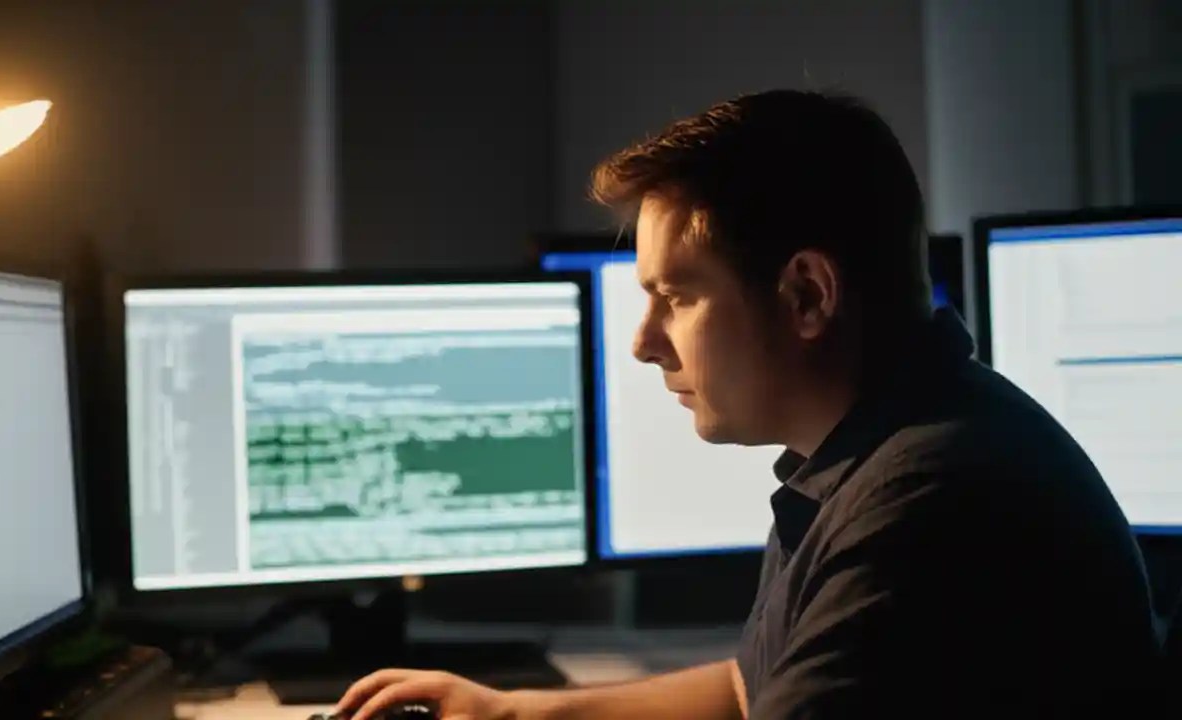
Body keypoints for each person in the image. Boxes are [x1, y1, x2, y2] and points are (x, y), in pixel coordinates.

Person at [335, 90, 1162, 719]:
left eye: (677, 297)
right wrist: (515, 710)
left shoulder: (930, 500)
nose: (643, 342)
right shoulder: (868, 454)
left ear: (807, 295)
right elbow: (747, 689)